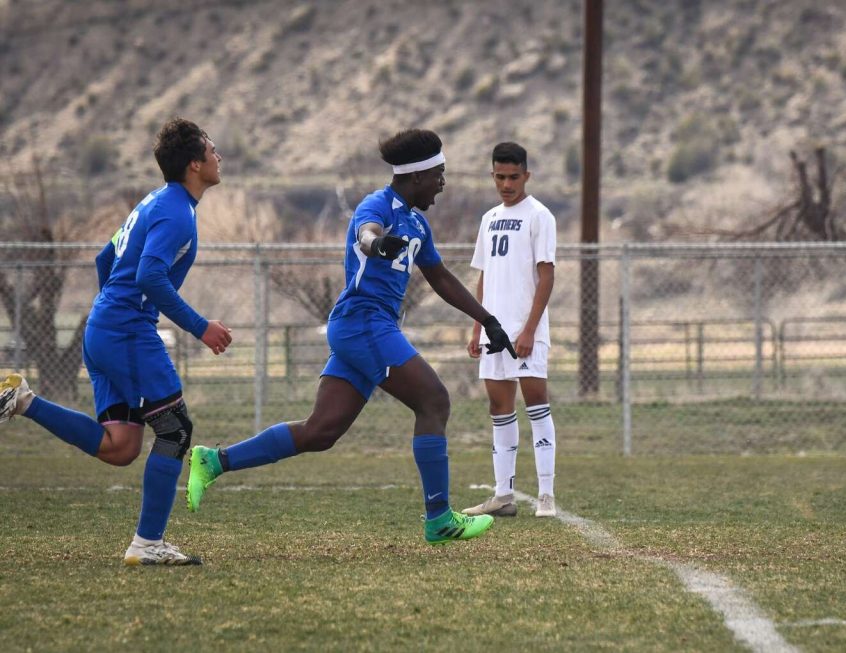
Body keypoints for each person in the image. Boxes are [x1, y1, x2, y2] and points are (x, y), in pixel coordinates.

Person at [185, 128, 517, 545]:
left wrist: (487, 319)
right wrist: (378, 245)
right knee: (434, 400)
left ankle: (214, 461)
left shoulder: (417, 223)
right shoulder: (376, 205)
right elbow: (367, 233)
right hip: (363, 323)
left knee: (320, 432)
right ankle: (438, 519)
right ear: (416, 176)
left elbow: (440, 277)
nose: (443, 183)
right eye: (439, 174)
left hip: (366, 330)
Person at [0, 117, 233, 564]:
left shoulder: (155, 202)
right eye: (212, 148)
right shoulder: (178, 213)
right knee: (176, 430)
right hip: (125, 332)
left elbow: (104, 257)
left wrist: (112, 307)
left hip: (107, 328)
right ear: (194, 165)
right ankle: (147, 545)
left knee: (121, 447)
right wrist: (200, 326)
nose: (218, 155)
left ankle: (24, 400)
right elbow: (149, 275)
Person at [462, 142, 558, 519]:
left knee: (536, 406)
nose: (506, 184)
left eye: (513, 177)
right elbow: (484, 276)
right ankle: (503, 496)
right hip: (493, 330)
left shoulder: (539, 216)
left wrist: (530, 330)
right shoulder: (488, 218)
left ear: (526, 176)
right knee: (499, 408)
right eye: (500, 177)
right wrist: (476, 327)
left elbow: (547, 276)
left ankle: (547, 495)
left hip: (525, 330)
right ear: (492, 176)